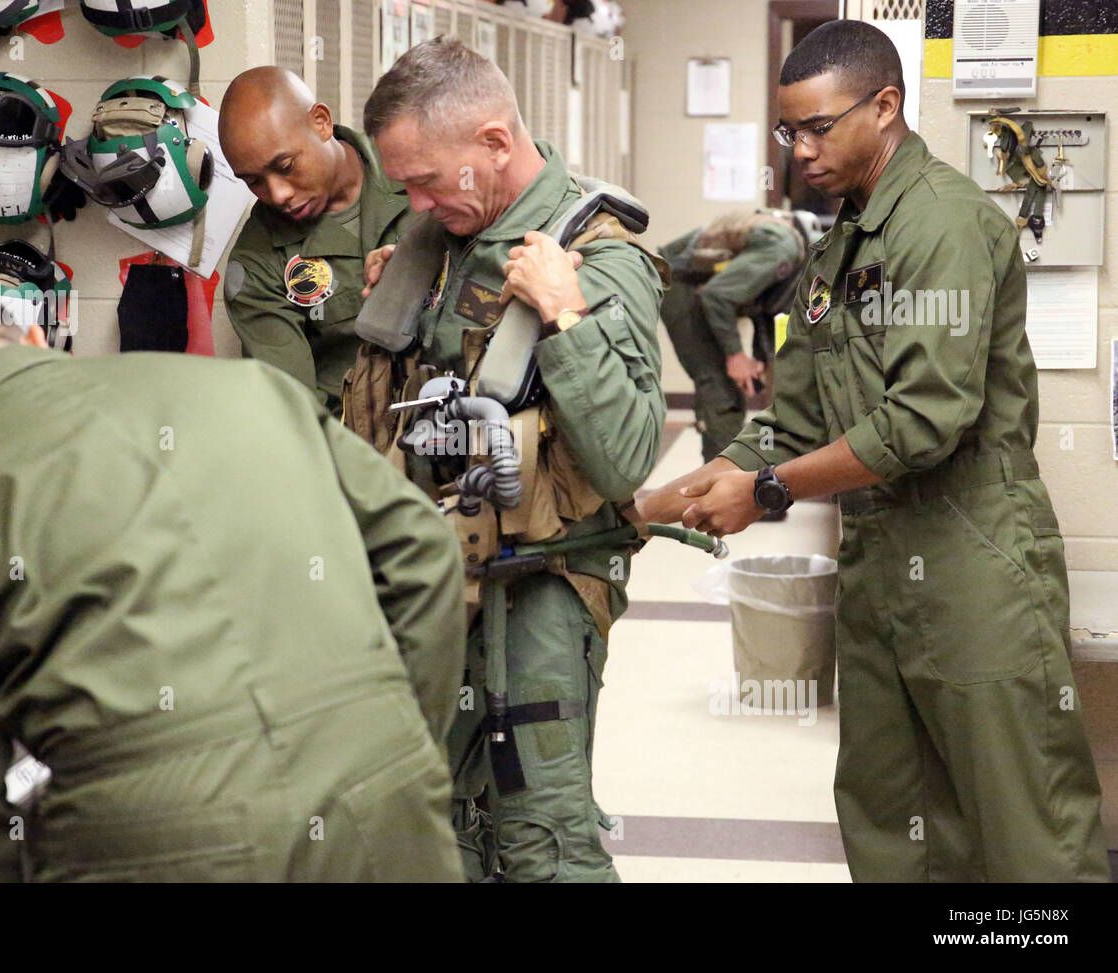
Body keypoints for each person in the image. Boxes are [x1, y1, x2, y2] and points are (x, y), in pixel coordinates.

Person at [640, 20, 1109, 882]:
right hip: (879, 561)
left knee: (1026, 825)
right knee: (893, 819)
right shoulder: (838, 247)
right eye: (790, 131)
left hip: (971, 553)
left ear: (886, 106)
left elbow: (922, 421)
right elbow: (795, 416)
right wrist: (682, 489)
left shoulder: (943, 223)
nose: (800, 152)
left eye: (819, 127)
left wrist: (769, 490)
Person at [0, 282, 466, 882]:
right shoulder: (255, 389)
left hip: (155, 837)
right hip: (382, 793)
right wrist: (403, 737)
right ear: (35, 338)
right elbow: (423, 547)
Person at [355, 38, 667, 882]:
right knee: (440, 829)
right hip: (436, 579)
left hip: (542, 586)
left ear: (495, 142)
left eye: (427, 181)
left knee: (542, 840)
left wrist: (567, 318)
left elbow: (628, 456)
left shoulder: (598, 257)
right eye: (405, 186)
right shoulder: (439, 243)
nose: (416, 202)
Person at [218, 66, 413, 415]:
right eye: (253, 181)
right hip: (353, 436)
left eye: (286, 166)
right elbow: (298, 414)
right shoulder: (257, 261)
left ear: (321, 122)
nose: (278, 194)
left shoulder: (414, 167)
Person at [657, 207, 820, 463]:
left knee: (731, 387)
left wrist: (760, 360)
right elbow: (717, 296)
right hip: (680, 282)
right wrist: (735, 355)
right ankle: (721, 477)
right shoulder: (783, 250)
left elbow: (764, 309)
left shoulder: (794, 258)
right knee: (719, 386)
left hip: (702, 287)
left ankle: (731, 470)